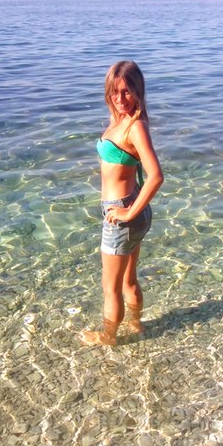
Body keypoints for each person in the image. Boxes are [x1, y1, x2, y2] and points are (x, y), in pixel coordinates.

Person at [80, 61, 164, 346]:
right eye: (114, 91)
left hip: (124, 213)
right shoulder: (120, 119)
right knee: (128, 279)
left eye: (127, 91)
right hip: (129, 208)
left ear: (138, 91)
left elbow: (156, 176)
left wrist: (127, 213)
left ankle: (108, 337)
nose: (120, 98)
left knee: (110, 287)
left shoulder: (135, 126)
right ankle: (136, 323)